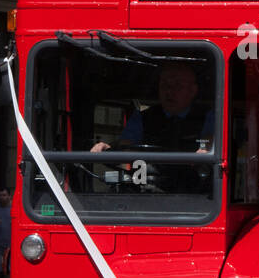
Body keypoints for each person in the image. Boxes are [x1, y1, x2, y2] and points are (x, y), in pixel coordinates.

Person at [90, 61, 213, 192]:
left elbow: (207, 145)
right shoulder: (141, 117)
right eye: (164, 85)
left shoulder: (208, 117)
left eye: (177, 86)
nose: (169, 91)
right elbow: (126, 147)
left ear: (193, 91)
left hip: (192, 193)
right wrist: (109, 149)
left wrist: (204, 151)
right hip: (145, 189)